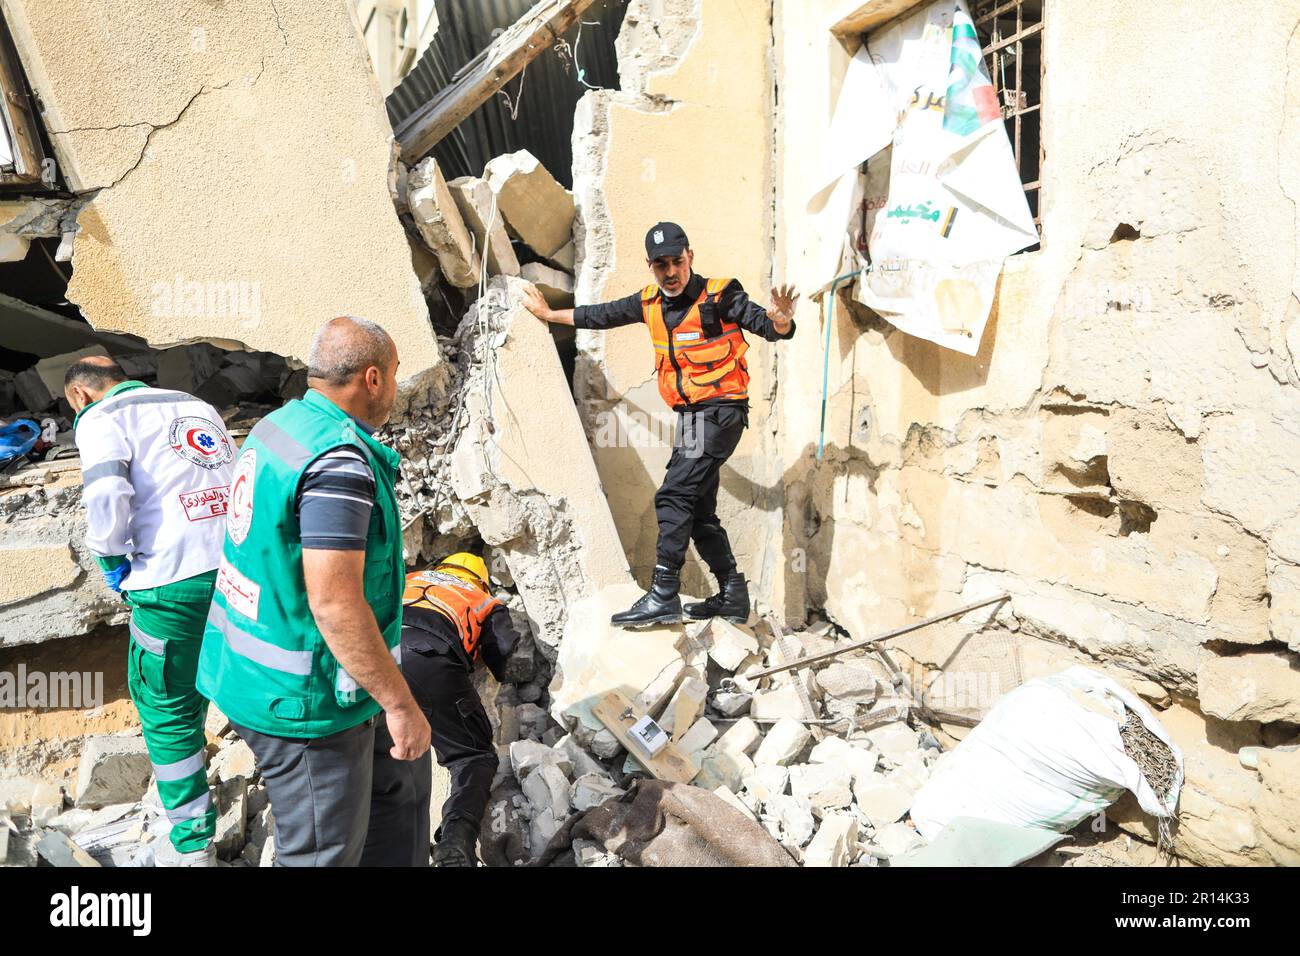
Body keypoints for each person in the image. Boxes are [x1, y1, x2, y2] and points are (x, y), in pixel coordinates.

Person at [197, 316, 432, 866]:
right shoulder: (338, 464)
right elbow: (334, 604)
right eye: (395, 374)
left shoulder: (280, 425)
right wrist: (400, 704)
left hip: (290, 679)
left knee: (401, 797)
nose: (395, 388)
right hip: (306, 702)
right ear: (372, 378)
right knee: (323, 854)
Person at [523, 221, 799, 627]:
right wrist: (549, 314)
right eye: (661, 265)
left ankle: (663, 594)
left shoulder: (720, 296)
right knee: (698, 510)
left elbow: (767, 325)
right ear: (650, 265)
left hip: (720, 412)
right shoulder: (649, 302)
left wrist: (781, 321)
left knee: (673, 496)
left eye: (676, 262)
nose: (670, 272)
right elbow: (602, 315)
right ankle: (732, 595)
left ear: (690, 257)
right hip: (692, 419)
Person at [65, 355, 237, 866]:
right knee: (232, 678)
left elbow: (106, 494)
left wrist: (111, 557)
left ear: (79, 395)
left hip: (172, 580)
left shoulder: (100, 418)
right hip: (238, 570)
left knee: (165, 703)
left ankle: (192, 844)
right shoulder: (193, 404)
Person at [399, 552, 523, 866]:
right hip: (427, 659)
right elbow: (502, 647)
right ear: (482, 581)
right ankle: (455, 841)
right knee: (473, 756)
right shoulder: (483, 599)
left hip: (372, 655)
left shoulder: (410, 579)